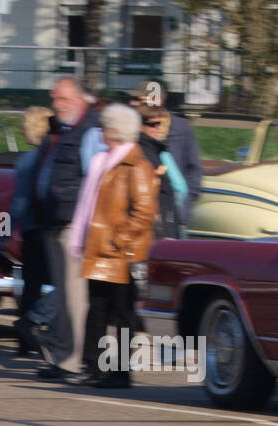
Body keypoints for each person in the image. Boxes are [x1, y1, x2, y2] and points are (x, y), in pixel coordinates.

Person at [66, 103, 157, 389]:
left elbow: (143, 211)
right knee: (97, 309)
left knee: (123, 313)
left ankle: (121, 372)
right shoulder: (103, 161)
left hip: (121, 254)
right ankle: (92, 367)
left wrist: (119, 240)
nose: (102, 132)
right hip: (99, 250)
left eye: (105, 127)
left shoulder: (136, 165)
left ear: (115, 131)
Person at [32, 76, 103, 379]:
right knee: (62, 296)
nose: (55, 105)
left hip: (72, 223)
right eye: (54, 98)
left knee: (75, 297)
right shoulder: (62, 129)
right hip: (53, 219)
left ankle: (74, 361)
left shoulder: (90, 130)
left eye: (61, 99)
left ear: (78, 100)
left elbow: (95, 179)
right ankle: (62, 358)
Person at [11, 105, 55, 358]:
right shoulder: (50, 157)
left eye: (25, 127)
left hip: (32, 229)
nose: (23, 132)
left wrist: (6, 227)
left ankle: (24, 337)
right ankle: (35, 325)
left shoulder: (27, 160)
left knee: (31, 285)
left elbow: (20, 201)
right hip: (47, 229)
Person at [127, 81, 201, 226]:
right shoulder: (134, 125)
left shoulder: (180, 127)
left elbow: (194, 166)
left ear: (157, 101)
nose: (133, 103)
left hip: (175, 211)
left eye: (140, 100)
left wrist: (185, 200)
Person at [136, 104, 188, 240]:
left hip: (166, 227)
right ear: (140, 126)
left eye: (163, 124)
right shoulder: (143, 154)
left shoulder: (158, 151)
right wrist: (161, 231)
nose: (159, 128)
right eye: (154, 124)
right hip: (154, 232)